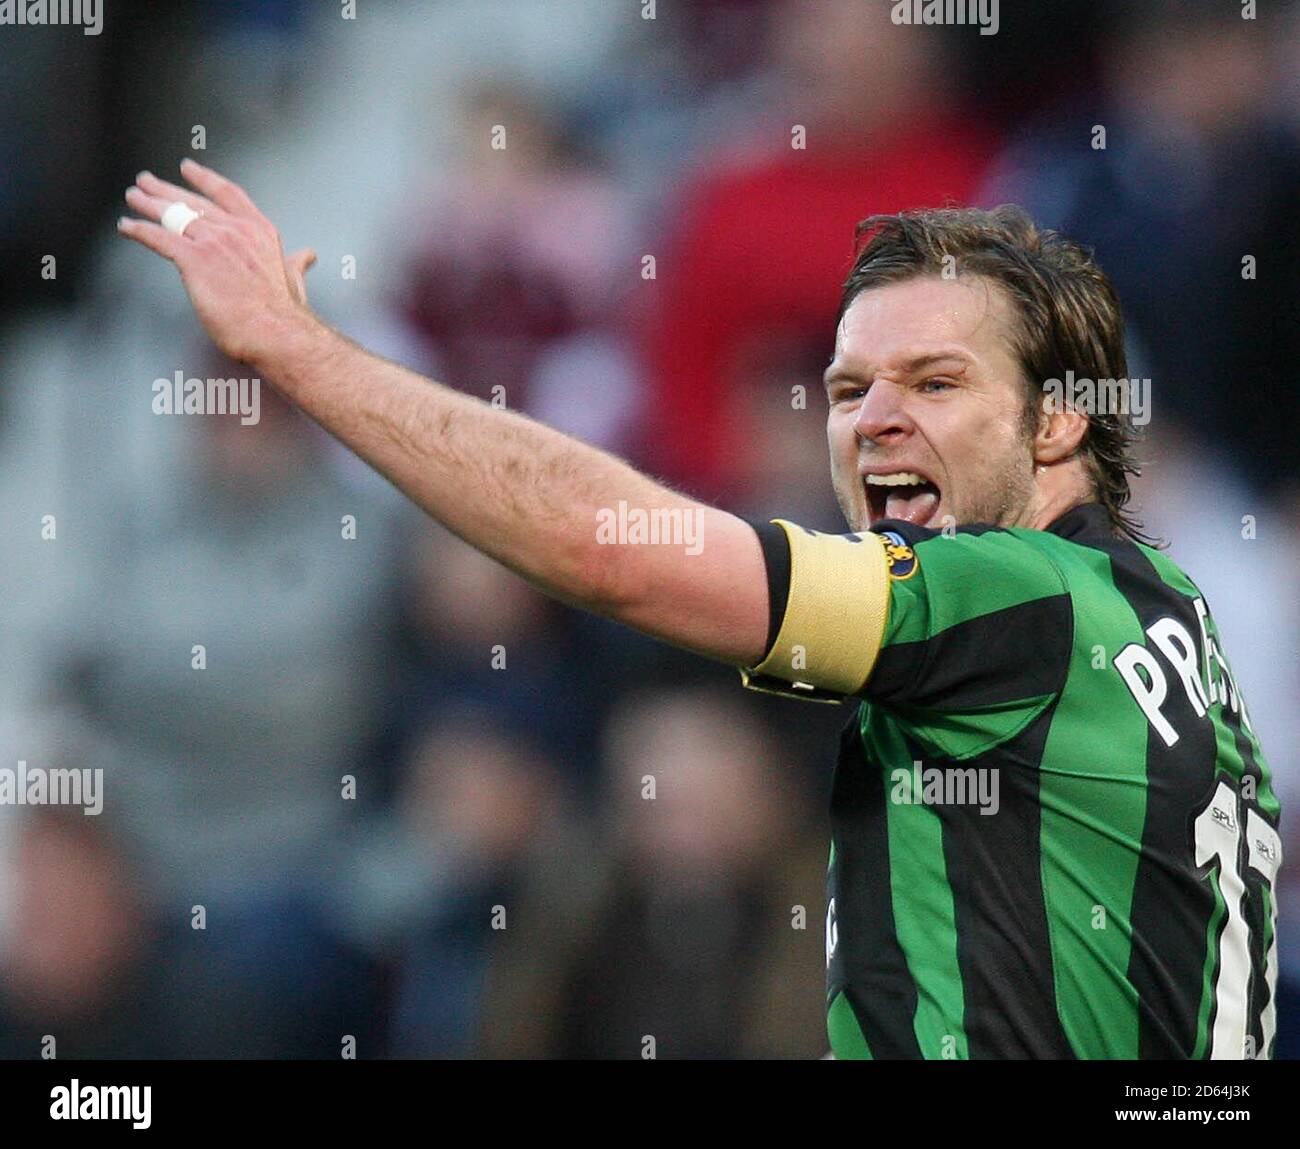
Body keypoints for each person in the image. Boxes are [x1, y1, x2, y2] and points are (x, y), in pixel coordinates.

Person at [118, 161, 1282, 1059]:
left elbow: (610, 552)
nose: (870, 421)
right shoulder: (1157, 606)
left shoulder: (1004, 594)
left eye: (934, 383)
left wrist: (292, 347)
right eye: (846, 390)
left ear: (1057, 424)